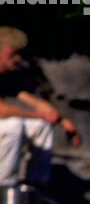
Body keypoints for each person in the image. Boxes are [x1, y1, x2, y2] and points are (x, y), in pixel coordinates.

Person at [0, 27, 81, 191]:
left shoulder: (6, 77)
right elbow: (2, 111)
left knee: (41, 127)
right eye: (13, 54)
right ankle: (4, 187)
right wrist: (39, 115)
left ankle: (36, 186)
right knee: (14, 126)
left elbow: (36, 103)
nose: (18, 59)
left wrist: (63, 121)